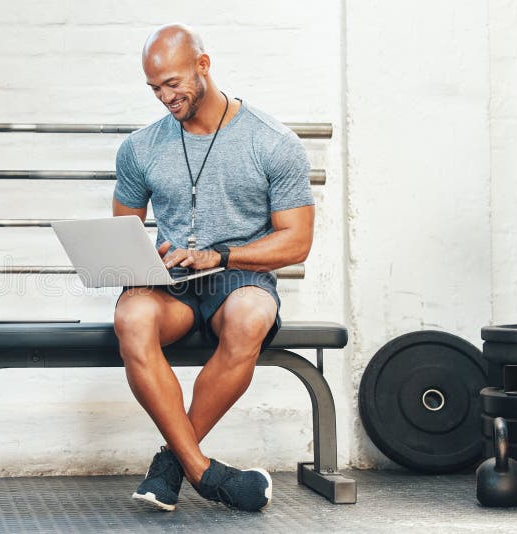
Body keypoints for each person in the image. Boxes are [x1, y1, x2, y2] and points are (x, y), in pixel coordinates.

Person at [112, 24, 315, 512]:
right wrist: (140, 264)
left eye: (173, 83)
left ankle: (171, 465)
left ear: (203, 66)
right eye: (154, 88)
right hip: (173, 285)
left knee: (249, 318)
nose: (165, 97)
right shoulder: (140, 148)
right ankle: (202, 471)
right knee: (130, 318)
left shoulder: (271, 142)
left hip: (238, 278)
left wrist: (221, 255)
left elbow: (297, 241)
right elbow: (121, 236)